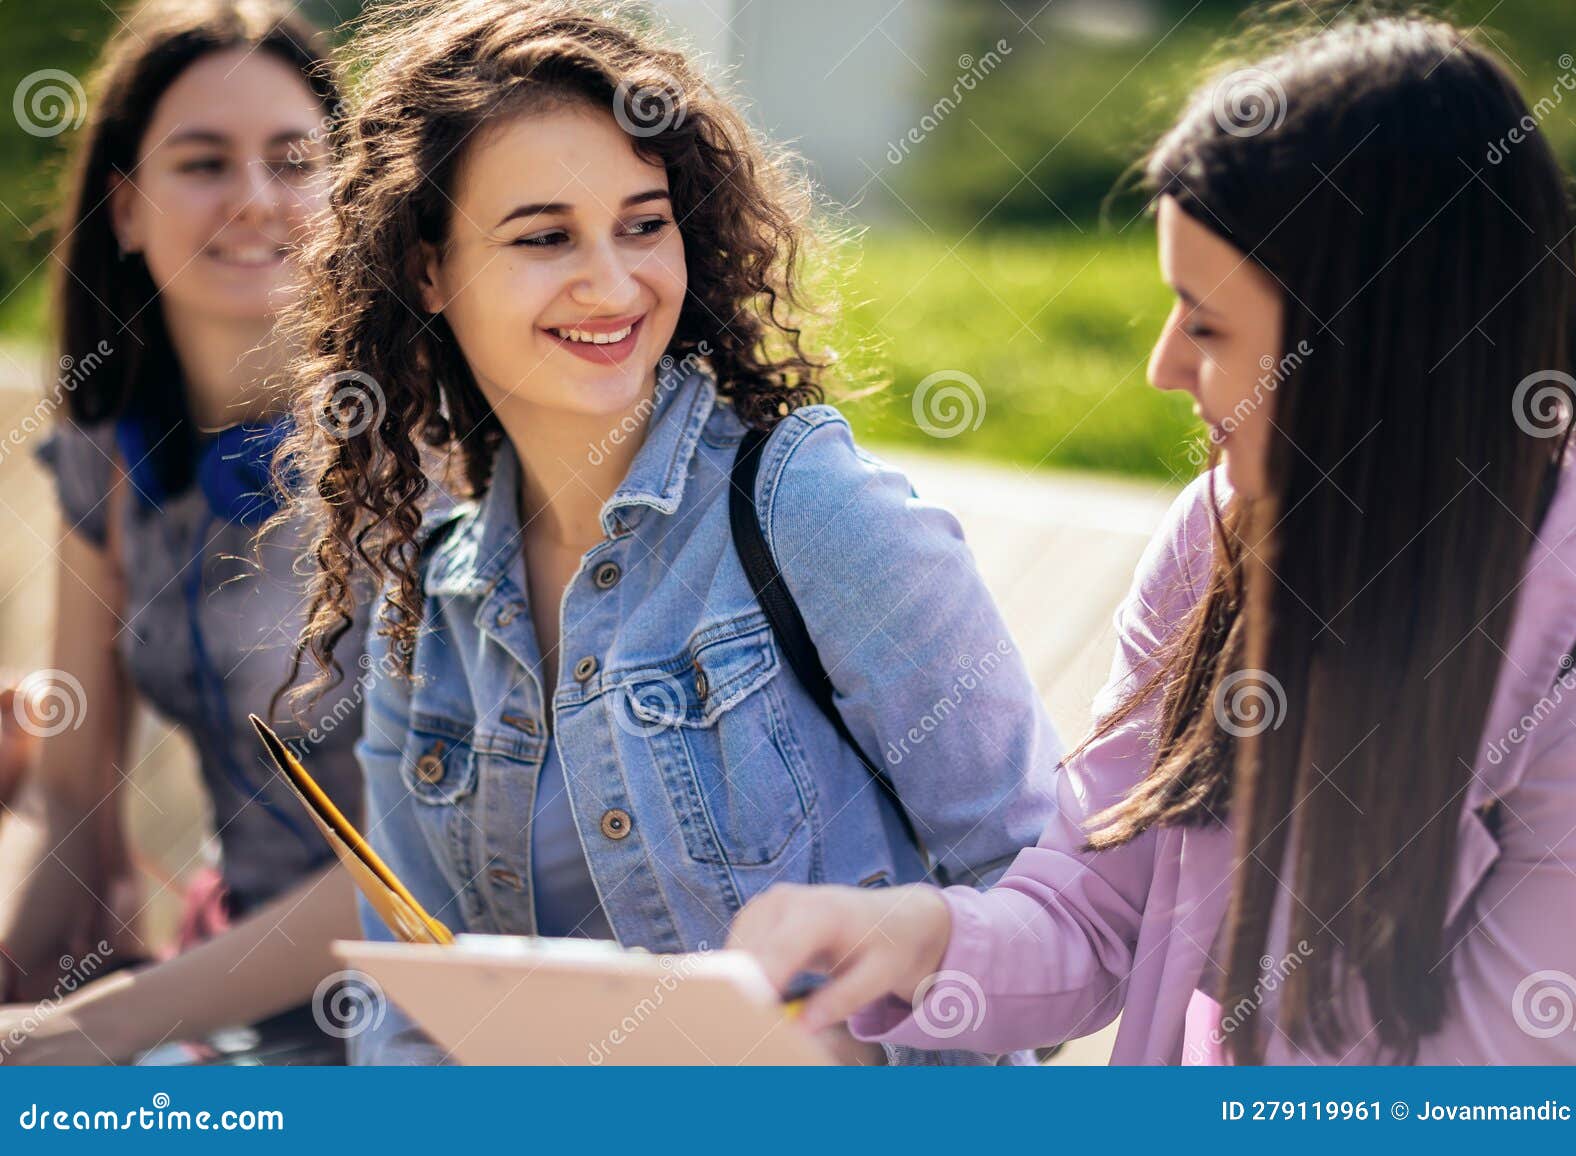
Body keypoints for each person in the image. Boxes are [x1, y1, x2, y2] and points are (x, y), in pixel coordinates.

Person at [728, 13, 1576, 1065]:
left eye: (1206, 321)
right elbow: (1095, 909)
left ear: (1366, 344)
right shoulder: (1219, 536)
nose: (1161, 366)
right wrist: (916, 938)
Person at [272, 0, 1059, 1066]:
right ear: (426, 270)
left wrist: (850, 1056)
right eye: (545, 237)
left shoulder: (809, 512)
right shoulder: (426, 606)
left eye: (643, 224)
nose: (613, 281)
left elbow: (1042, 909)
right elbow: (411, 1008)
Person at [0, 0, 373, 1064]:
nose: (255, 200)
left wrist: (93, 1023)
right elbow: (71, 791)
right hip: (222, 997)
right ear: (125, 207)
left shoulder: (431, 454)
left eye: (295, 160)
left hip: (425, 1015)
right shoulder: (105, 457)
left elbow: (433, 856)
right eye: (205, 162)